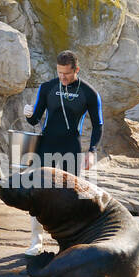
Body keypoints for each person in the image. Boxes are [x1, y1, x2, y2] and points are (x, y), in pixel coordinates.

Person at [23, 50, 104, 254]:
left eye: (66, 73)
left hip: (71, 147)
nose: (62, 77)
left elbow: (98, 125)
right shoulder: (48, 87)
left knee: (71, 195)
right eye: (59, 73)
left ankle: (69, 242)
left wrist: (92, 151)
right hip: (46, 145)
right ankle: (36, 241)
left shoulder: (89, 93)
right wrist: (28, 114)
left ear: (76, 69)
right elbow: (35, 120)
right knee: (37, 191)